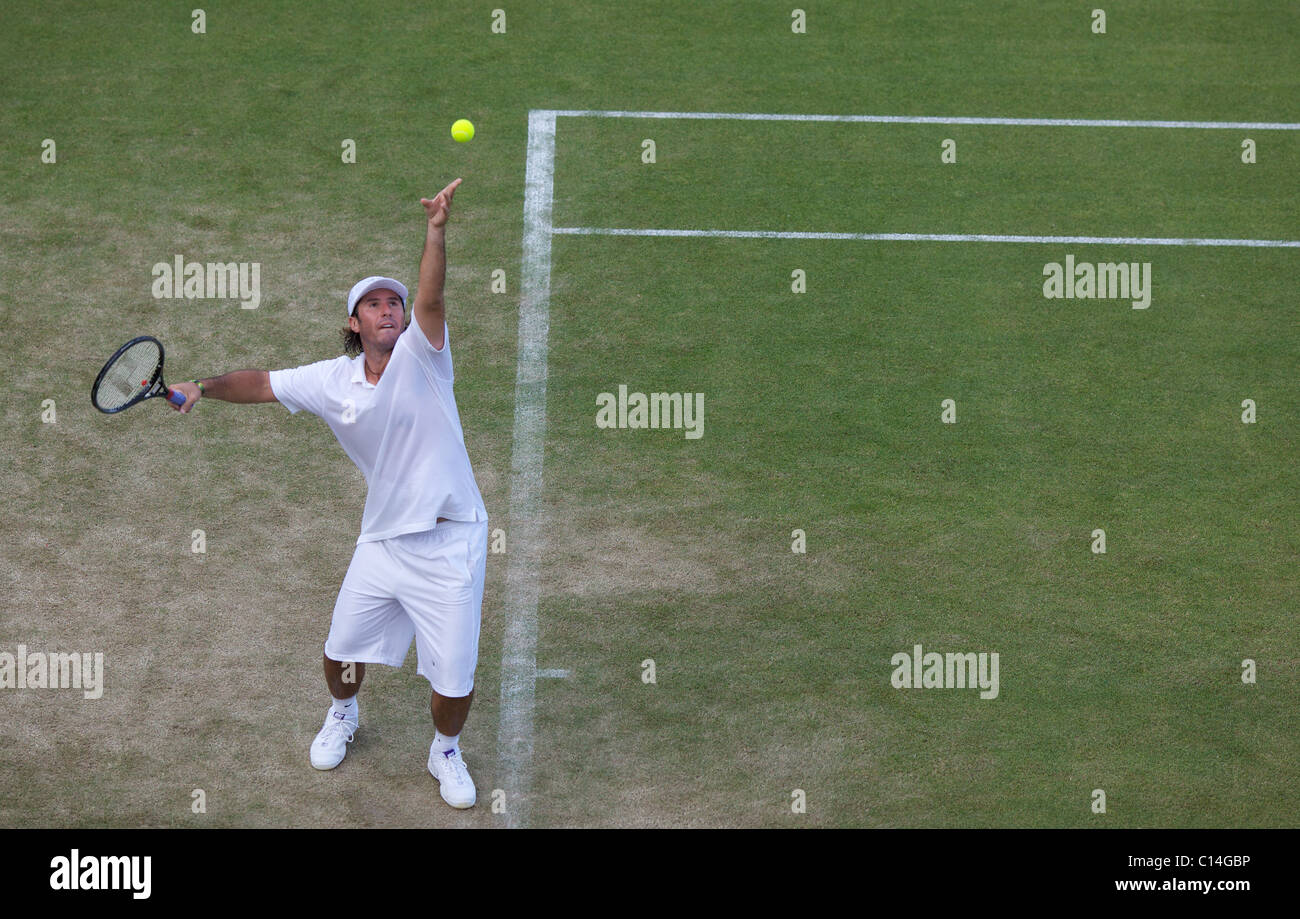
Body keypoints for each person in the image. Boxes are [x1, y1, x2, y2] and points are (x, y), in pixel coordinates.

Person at [168, 178, 489, 809]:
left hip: (452, 540)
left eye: (394, 303)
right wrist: (201, 387)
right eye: (374, 304)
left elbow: (432, 293)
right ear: (354, 322)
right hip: (383, 541)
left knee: (453, 680)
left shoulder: (424, 357)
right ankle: (343, 714)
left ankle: (444, 751)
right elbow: (260, 383)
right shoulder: (331, 381)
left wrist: (435, 231)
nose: (389, 310)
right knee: (341, 650)